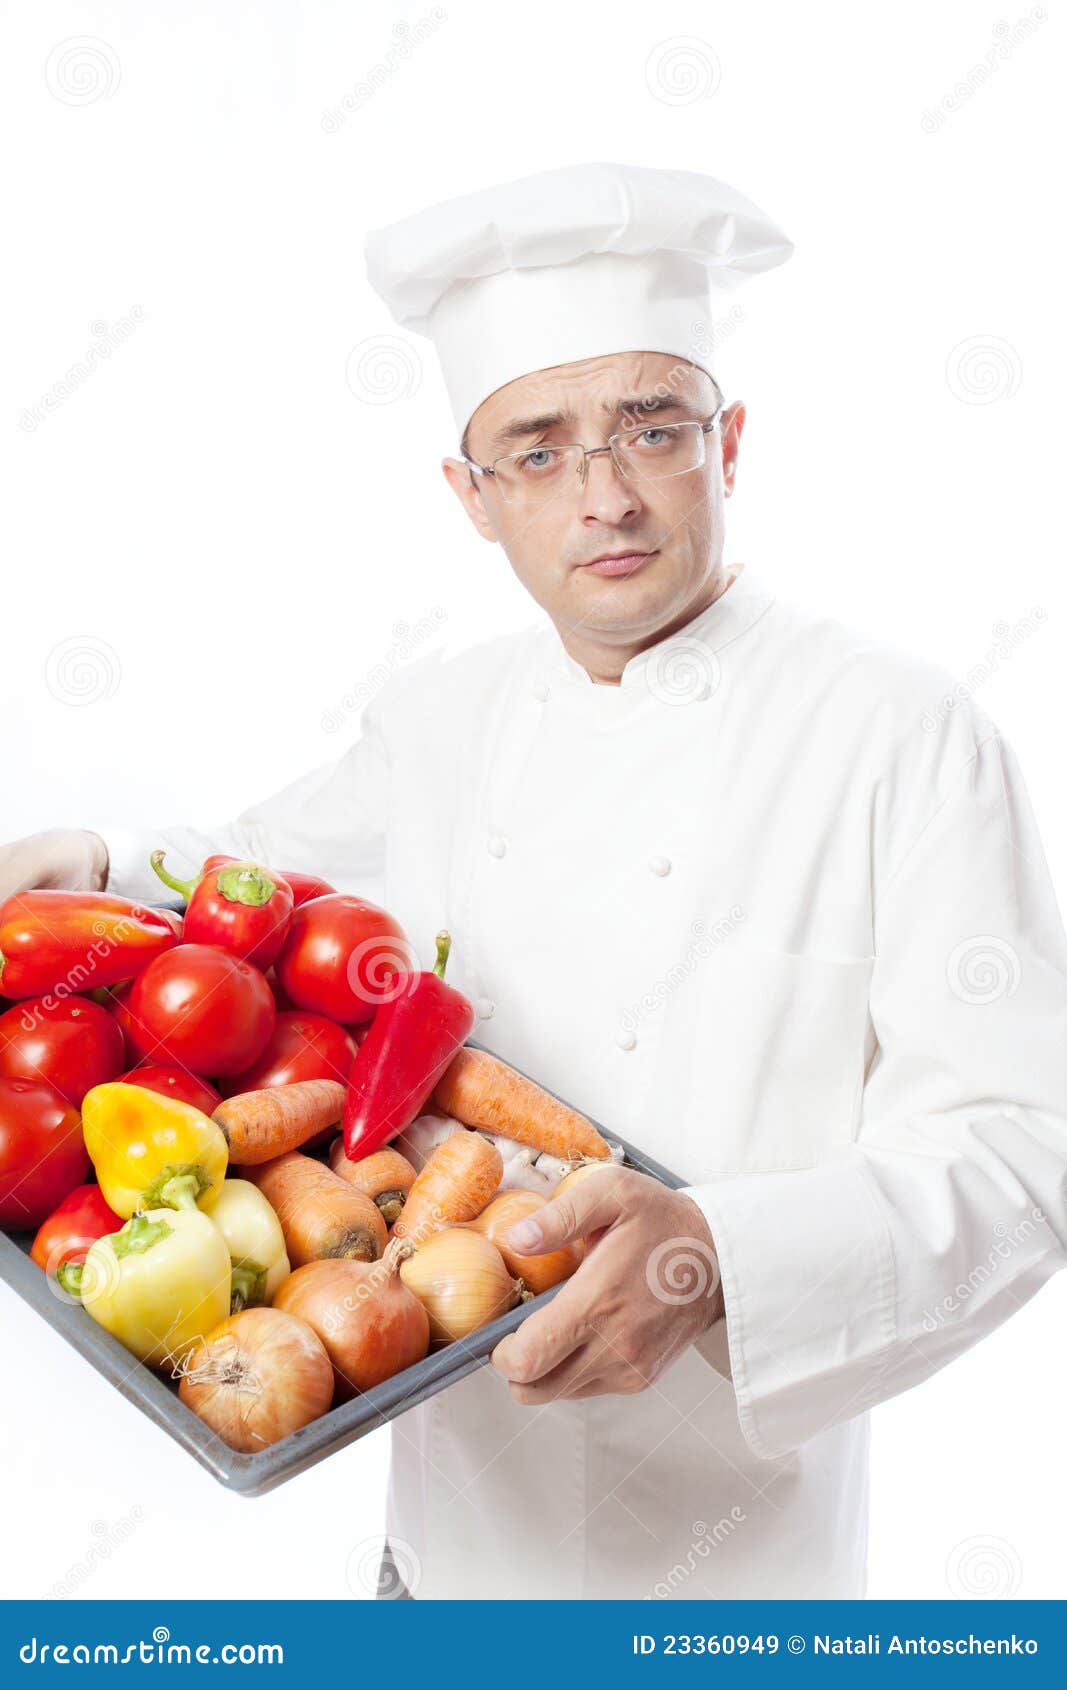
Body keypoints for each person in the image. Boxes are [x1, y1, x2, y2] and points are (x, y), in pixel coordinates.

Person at [4, 162, 1065, 1601]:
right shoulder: (436, 719)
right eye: (540, 449)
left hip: (739, 1585)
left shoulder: (904, 733)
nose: (606, 495)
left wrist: (717, 1259)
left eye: (653, 428)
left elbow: (1022, 1150)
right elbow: (242, 893)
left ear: (733, 442)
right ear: (471, 496)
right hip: (438, 1564)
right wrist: (86, 865)